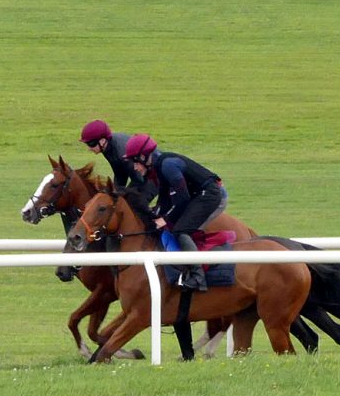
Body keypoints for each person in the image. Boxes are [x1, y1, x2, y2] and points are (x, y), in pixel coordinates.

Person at [122, 133, 228, 291]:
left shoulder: (168, 166)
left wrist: (166, 219)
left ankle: (198, 276)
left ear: (144, 157)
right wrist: (153, 215)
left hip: (211, 195)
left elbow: (182, 198)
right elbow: (164, 200)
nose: (135, 168)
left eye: (135, 162)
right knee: (171, 225)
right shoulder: (159, 168)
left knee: (181, 230)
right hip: (199, 195)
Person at [79, 118, 138, 187]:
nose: (89, 148)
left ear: (102, 141)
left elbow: (138, 181)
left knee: (133, 197)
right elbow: (120, 175)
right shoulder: (107, 147)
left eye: (91, 144)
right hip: (139, 175)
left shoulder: (122, 154)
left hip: (151, 174)